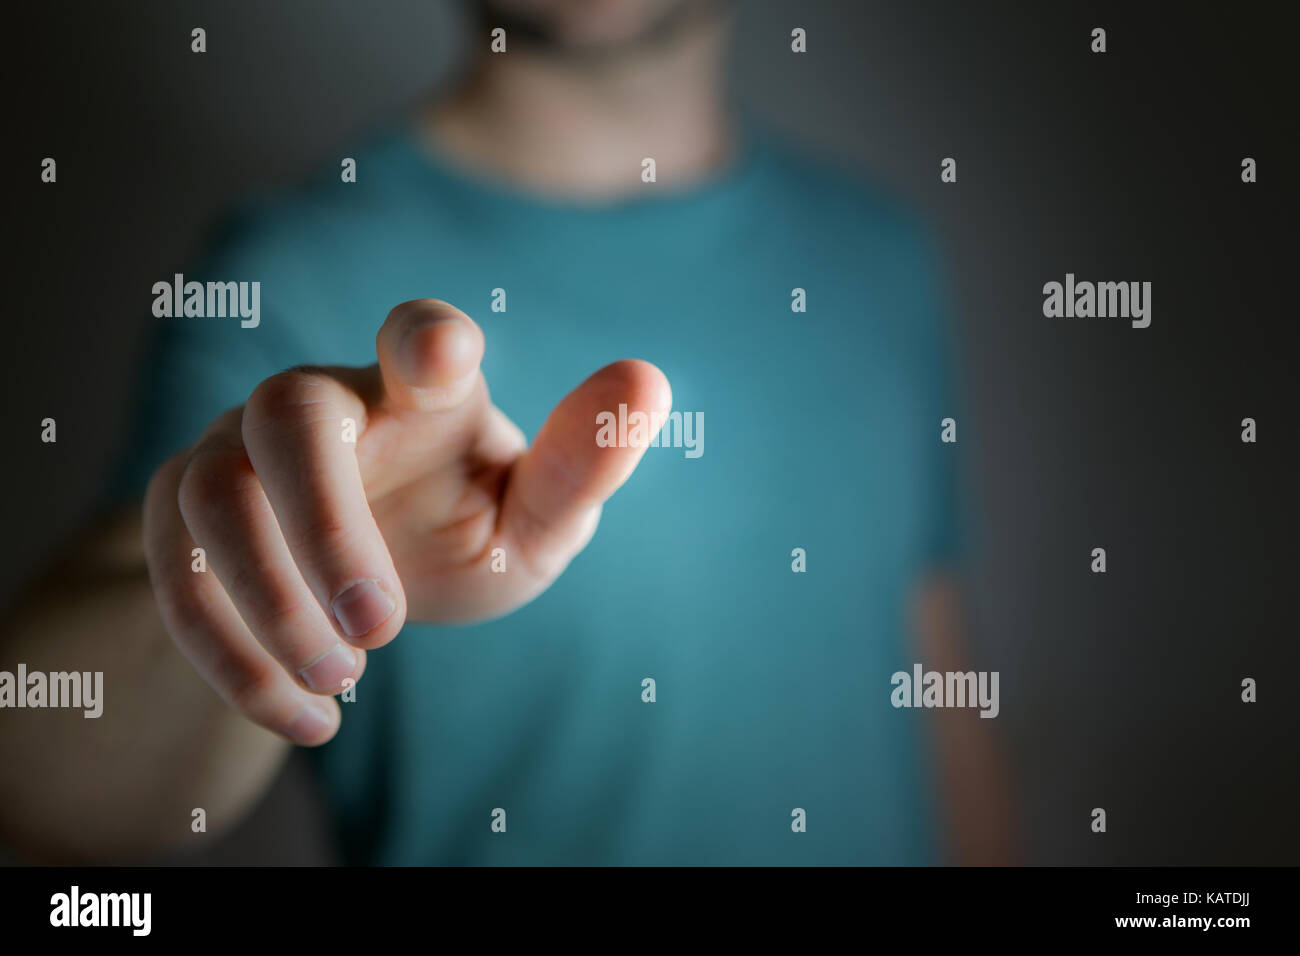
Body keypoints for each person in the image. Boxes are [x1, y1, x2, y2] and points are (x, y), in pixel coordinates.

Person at [0, 0, 1011, 864]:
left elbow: (926, 677)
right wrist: (261, 580)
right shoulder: (286, 277)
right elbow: (38, 778)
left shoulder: (879, 256)